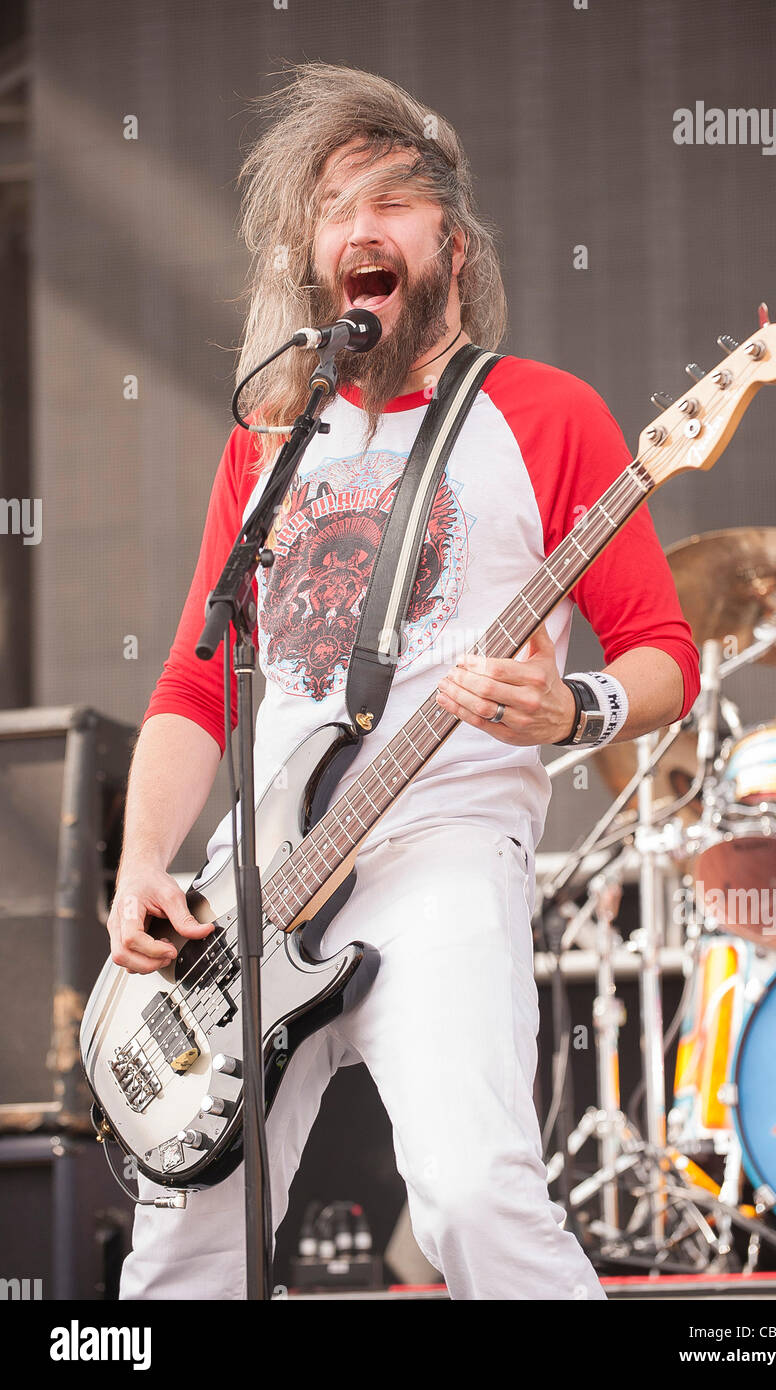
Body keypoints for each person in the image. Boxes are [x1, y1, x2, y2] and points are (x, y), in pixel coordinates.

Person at [110, 62, 700, 1300]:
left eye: (391, 199)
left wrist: (574, 706)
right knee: (183, 1252)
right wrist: (141, 866)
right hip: (261, 886)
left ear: (453, 242)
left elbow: (664, 654)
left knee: (476, 1193)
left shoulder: (548, 414)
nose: (361, 228)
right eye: (334, 209)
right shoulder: (270, 435)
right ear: (312, 256)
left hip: (442, 848)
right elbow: (189, 681)